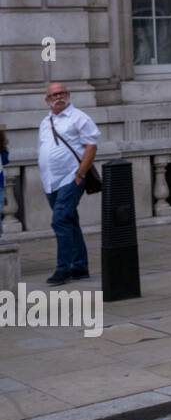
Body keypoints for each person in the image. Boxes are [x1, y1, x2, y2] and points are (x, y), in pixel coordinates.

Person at [37, 83, 99, 284]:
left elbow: (91, 145)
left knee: (60, 220)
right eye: (54, 94)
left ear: (68, 95)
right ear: (47, 99)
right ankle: (79, 267)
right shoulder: (45, 122)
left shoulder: (79, 117)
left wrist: (81, 172)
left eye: (62, 93)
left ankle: (63, 269)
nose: (59, 97)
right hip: (50, 181)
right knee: (69, 220)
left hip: (71, 178)